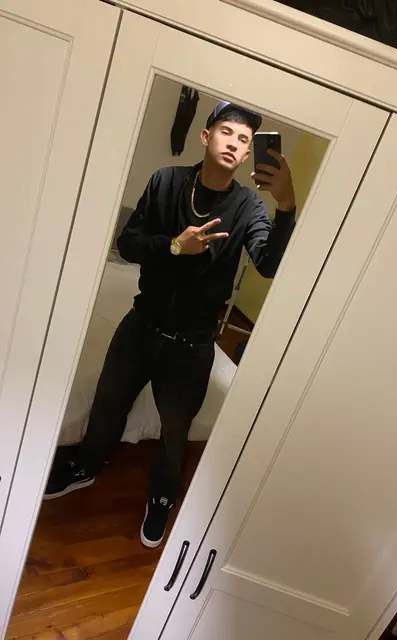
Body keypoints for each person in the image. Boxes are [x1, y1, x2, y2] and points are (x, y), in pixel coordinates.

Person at [44, 101, 296, 548]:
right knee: (106, 406)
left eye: (243, 140)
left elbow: (268, 263)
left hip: (192, 344)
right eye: (227, 132)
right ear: (205, 136)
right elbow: (128, 244)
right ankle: (86, 465)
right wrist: (176, 247)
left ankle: (162, 494)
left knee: (175, 434)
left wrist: (287, 206)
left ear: (247, 154)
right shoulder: (166, 181)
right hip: (141, 324)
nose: (234, 143)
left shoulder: (249, 207)